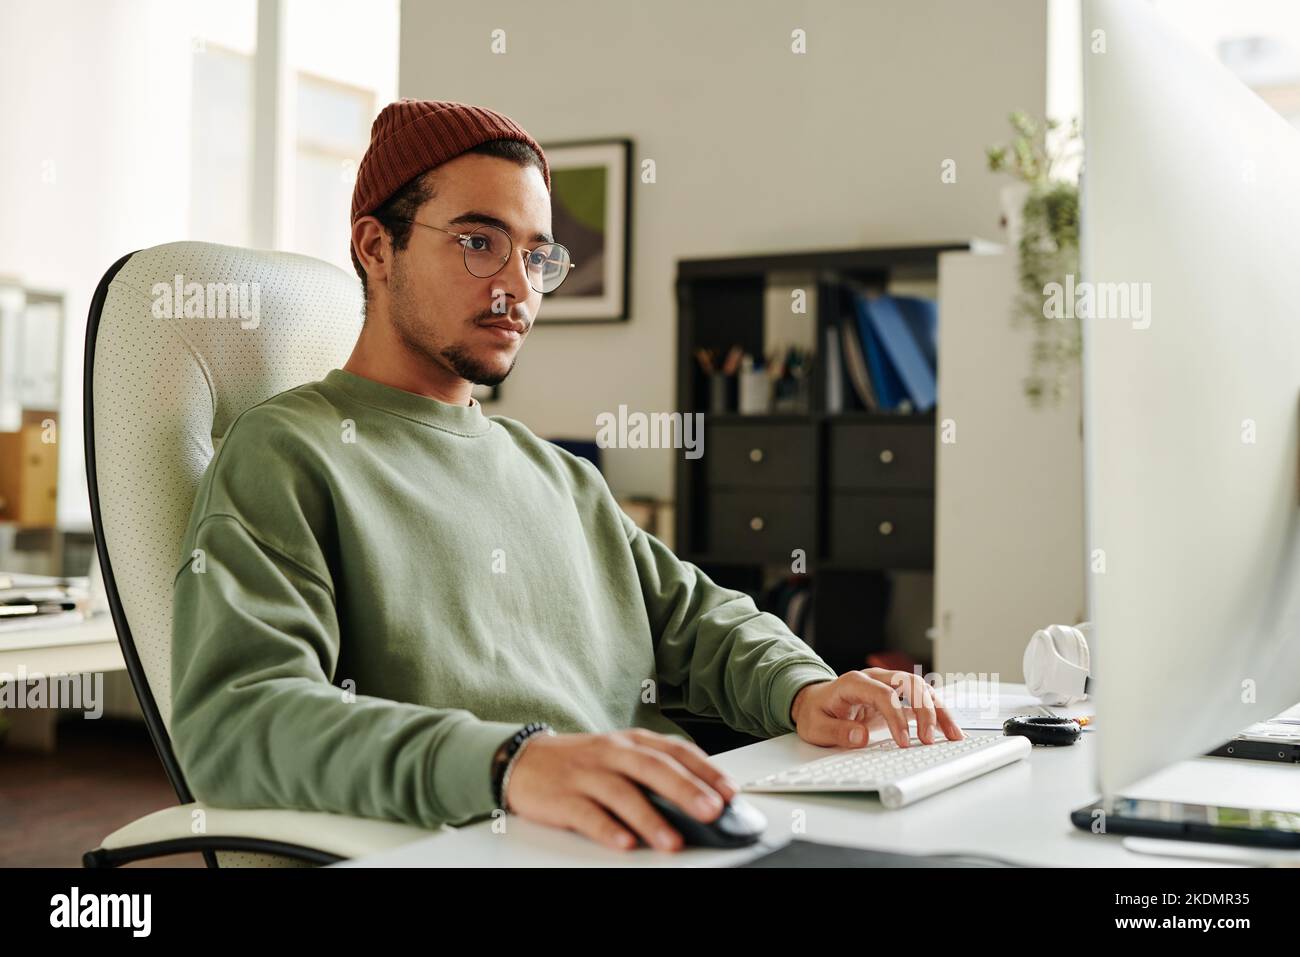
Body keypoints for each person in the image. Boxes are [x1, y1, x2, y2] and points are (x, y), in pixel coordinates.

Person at [170, 99, 963, 855]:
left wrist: (804, 690)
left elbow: (697, 621)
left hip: (678, 832)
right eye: (479, 242)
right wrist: (510, 763)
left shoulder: (556, 473)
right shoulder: (286, 454)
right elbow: (237, 722)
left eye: (537, 254)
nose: (516, 285)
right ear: (377, 247)